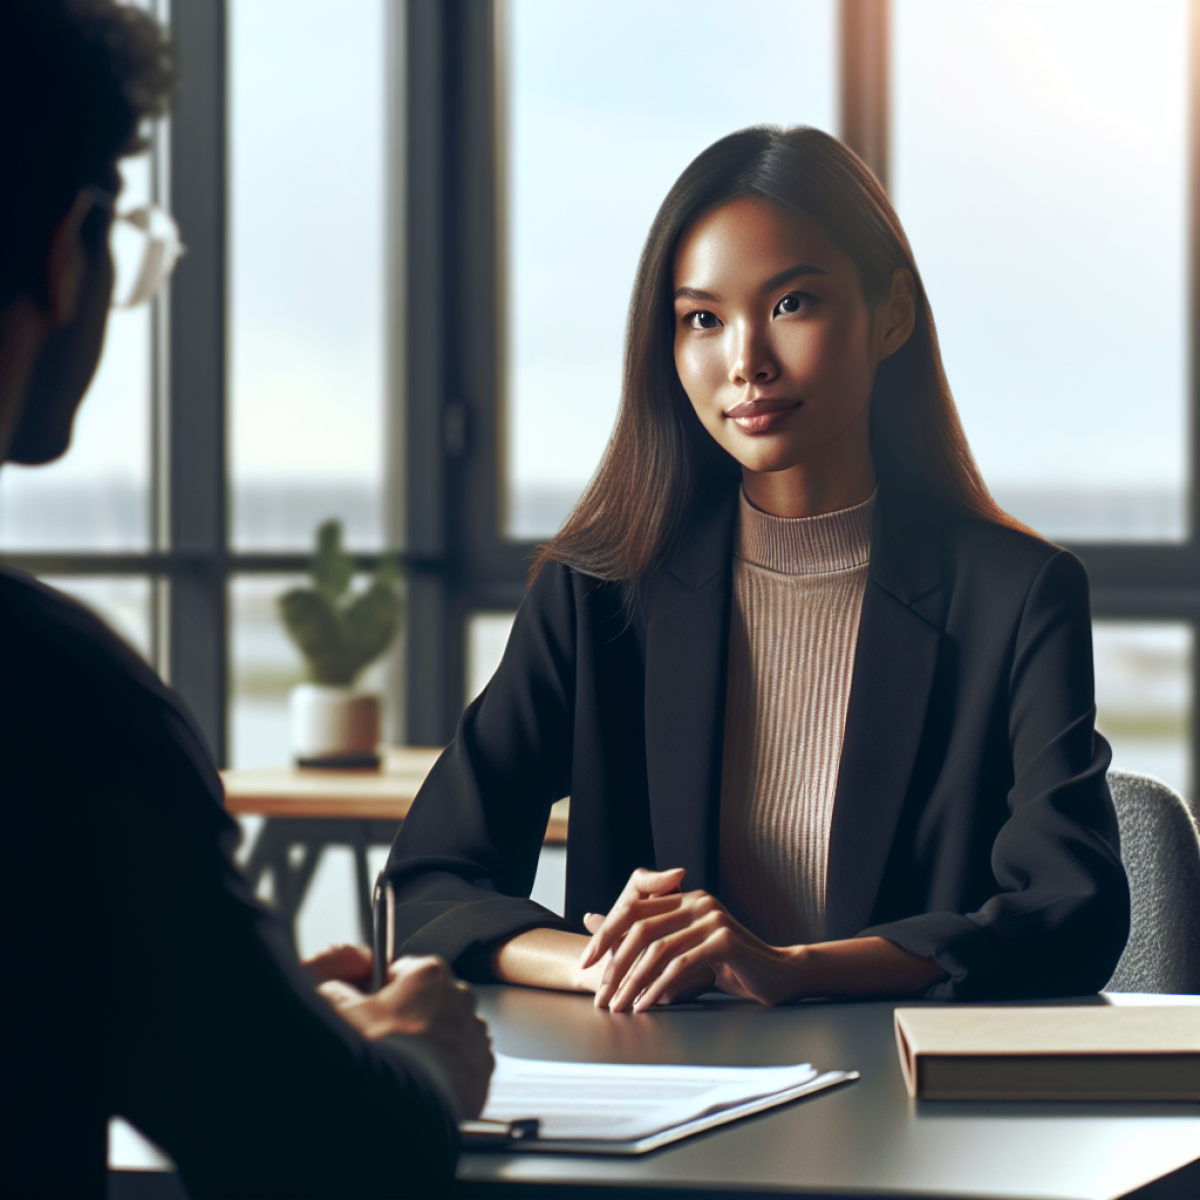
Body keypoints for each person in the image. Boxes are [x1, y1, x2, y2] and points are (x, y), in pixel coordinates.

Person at [383, 125, 1130, 1011]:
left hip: (906, 1112)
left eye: (791, 305)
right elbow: (426, 888)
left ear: (890, 314)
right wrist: (610, 962)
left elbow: (1072, 913)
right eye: (703, 319)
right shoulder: (599, 592)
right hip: (660, 1107)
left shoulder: (1021, 597)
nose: (746, 363)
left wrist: (790, 967)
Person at [0, 3, 491, 1197]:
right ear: (70, 249)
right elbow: (336, 1155)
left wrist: (254, 1010)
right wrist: (412, 1057)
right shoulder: (56, 706)